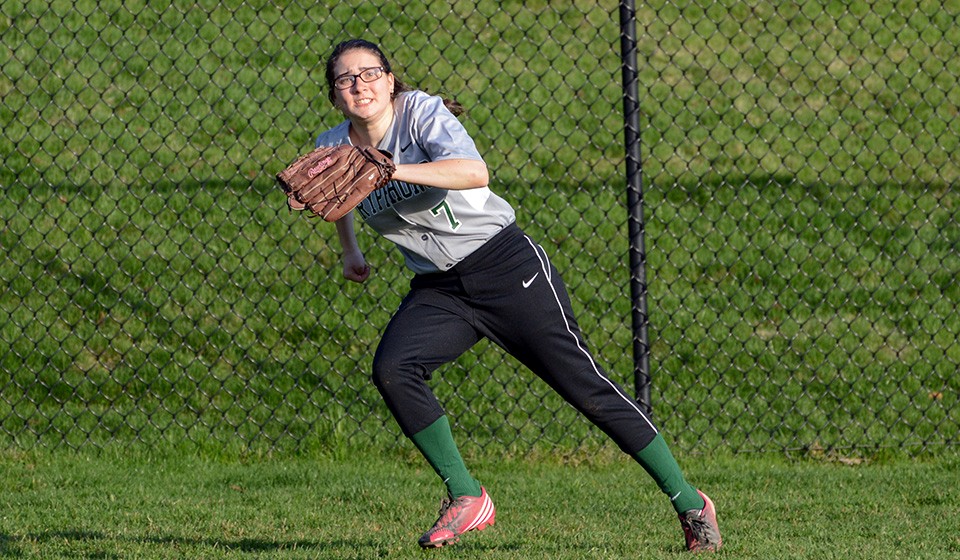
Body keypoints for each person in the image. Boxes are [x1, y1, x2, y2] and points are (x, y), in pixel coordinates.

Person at [314, 38, 722, 552]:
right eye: (346, 79)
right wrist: (350, 250)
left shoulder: (420, 113)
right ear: (335, 96)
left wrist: (390, 169)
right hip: (440, 287)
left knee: (586, 390)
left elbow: (473, 171)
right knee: (394, 368)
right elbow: (337, 196)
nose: (360, 85)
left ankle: (690, 502)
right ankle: (467, 495)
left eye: (370, 73)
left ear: (390, 80)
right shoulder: (333, 147)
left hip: (505, 267)